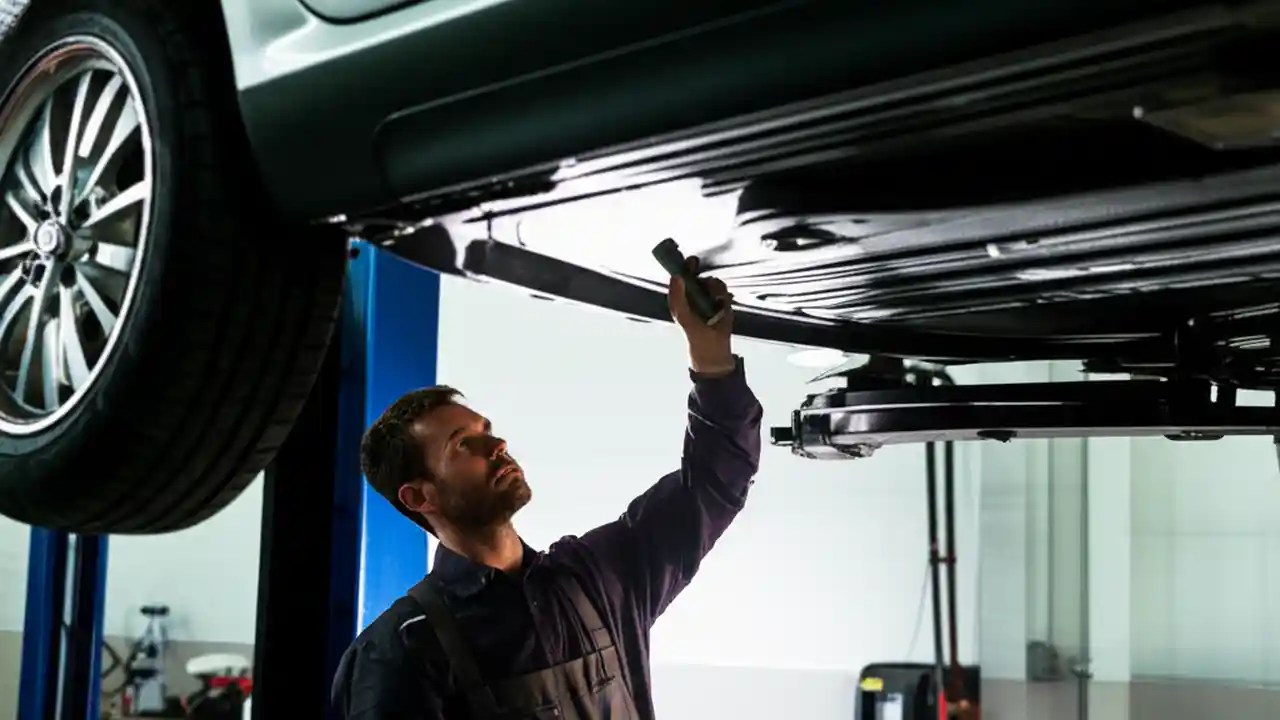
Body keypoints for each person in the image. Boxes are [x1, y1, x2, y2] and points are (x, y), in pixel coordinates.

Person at [331, 259, 763, 719]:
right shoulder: (399, 651)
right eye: (464, 445)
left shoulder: (602, 575)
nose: (496, 445)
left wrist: (710, 352)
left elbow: (716, 479)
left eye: (488, 429)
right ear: (420, 497)